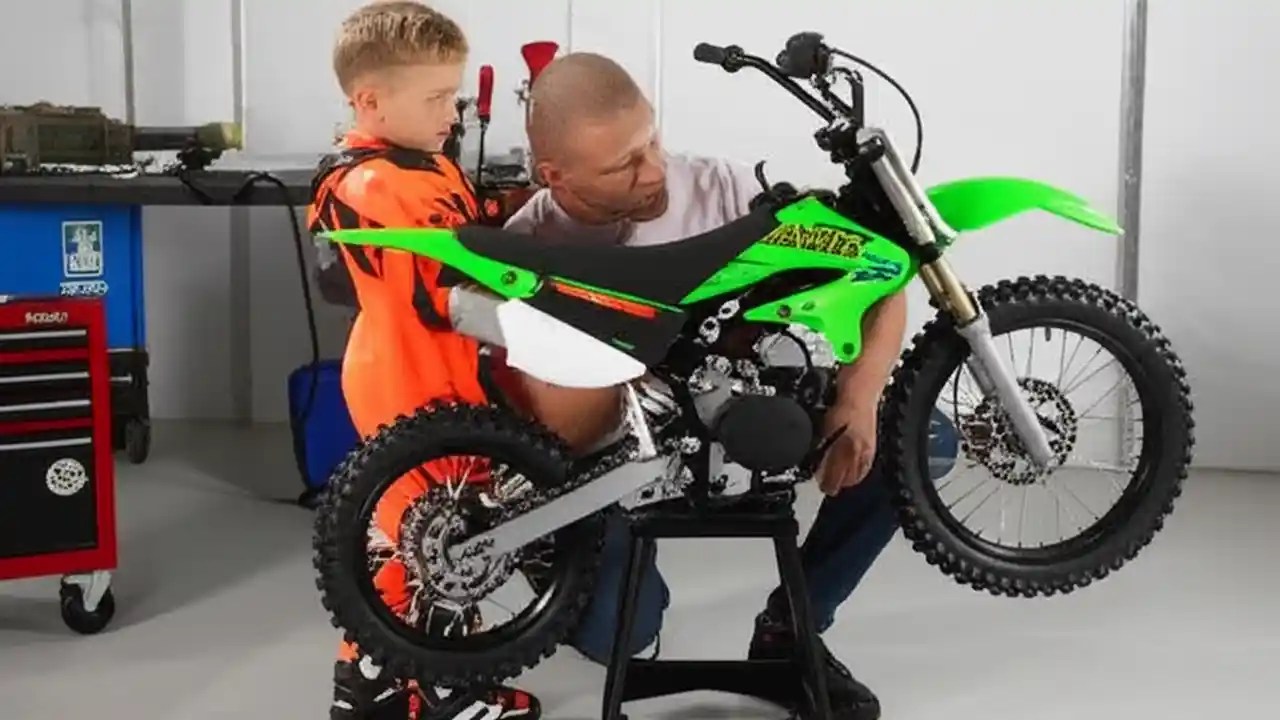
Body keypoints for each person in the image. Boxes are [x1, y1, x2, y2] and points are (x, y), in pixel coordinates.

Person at [503, 52, 909, 720]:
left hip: (751, 436)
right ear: (557, 176)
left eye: (651, 141)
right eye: (623, 165)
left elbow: (881, 279)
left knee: (921, 440)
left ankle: (793, 628)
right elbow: (566, 432)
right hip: (616, 471)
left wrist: (858, 398)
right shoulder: (524, 254)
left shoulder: (722, 188)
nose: (655, 170)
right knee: (624, 634)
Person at [306, 4, 618, 718]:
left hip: (438, 370)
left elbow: (463, 227)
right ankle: (425, 691)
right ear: (371, 100)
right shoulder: (372, 184)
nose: (451, 112)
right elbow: (445, 290)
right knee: (432, 539)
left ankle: (399, 684)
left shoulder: (416, 162)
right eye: (436, 98)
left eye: (453, 95)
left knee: (434, 531)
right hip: (412, 373)